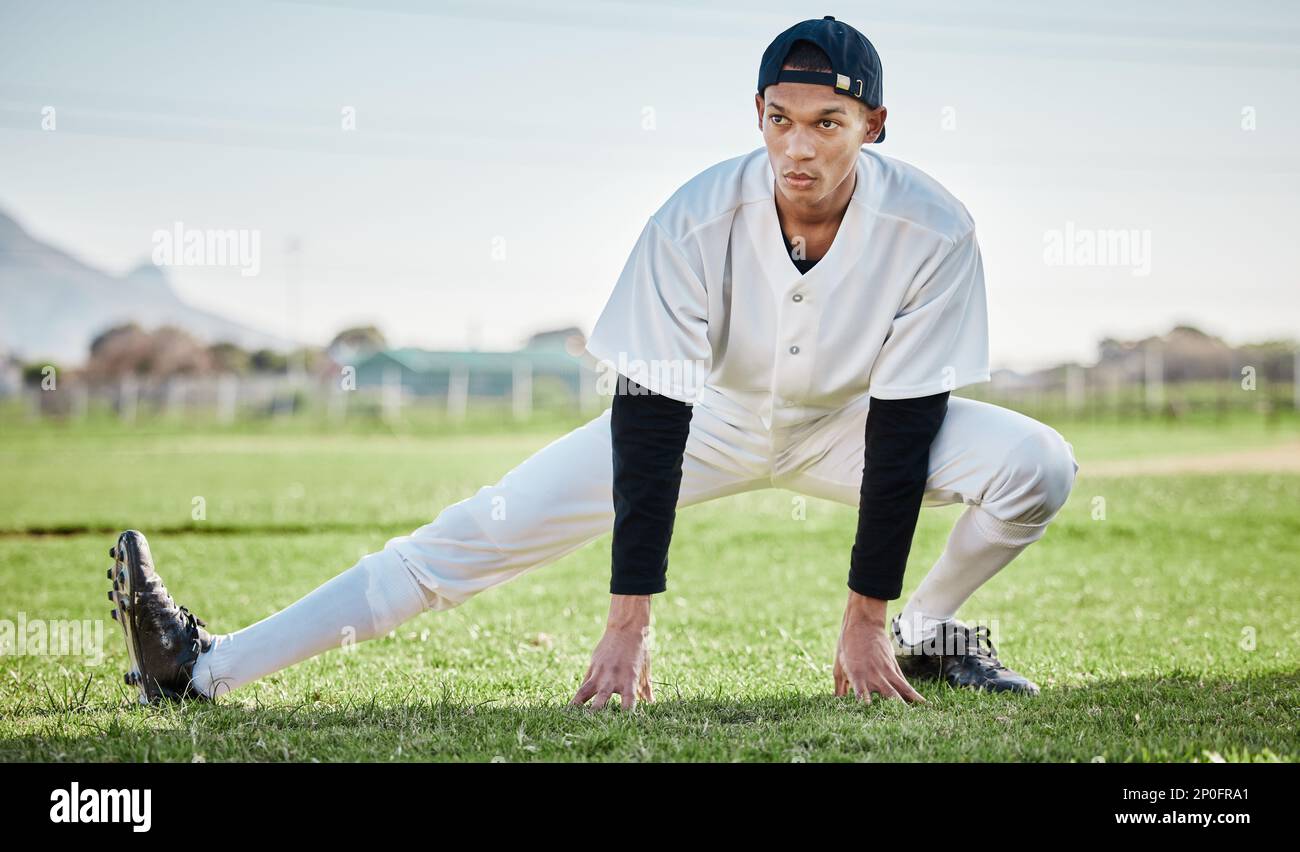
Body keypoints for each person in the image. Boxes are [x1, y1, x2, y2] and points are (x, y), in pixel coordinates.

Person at [107, 16, 1078, 711]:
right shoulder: (694, 217)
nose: (799, 145)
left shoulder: (935, 228)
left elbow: (906, 429)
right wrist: (628, 621)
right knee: (460, 542)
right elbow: (651, 416)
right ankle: (199, 668)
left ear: (873, 126)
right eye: (780, 118)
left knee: (1036, 467)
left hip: (852, 433)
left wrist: (865, 614)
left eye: (827, 122)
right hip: (700, 423)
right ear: (756, 115)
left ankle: (926, 631)